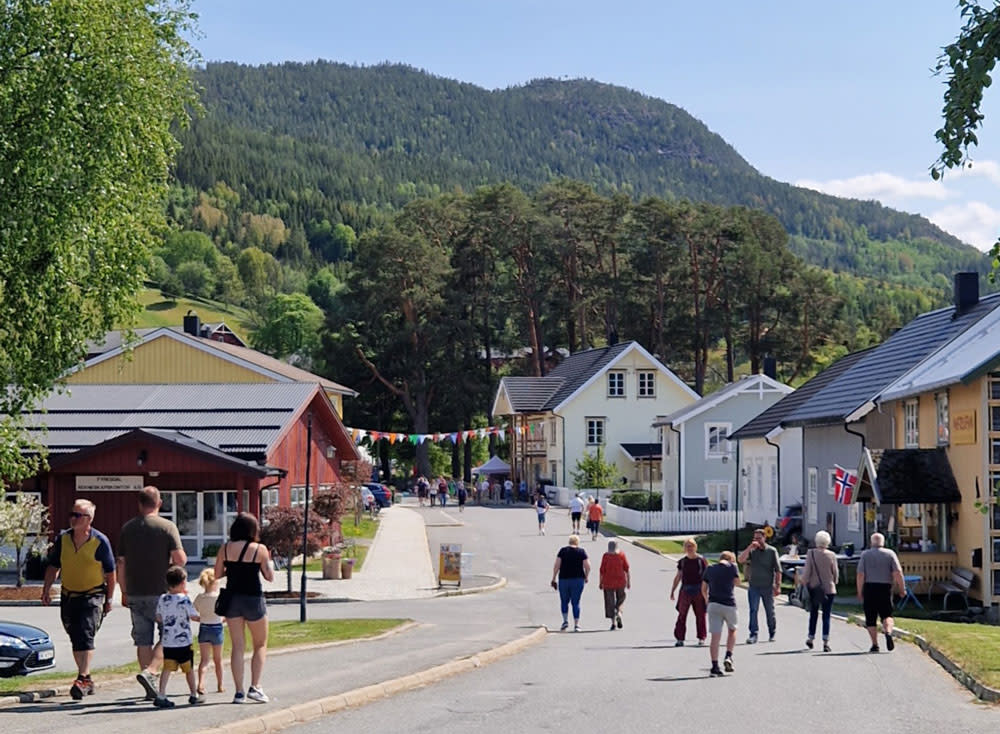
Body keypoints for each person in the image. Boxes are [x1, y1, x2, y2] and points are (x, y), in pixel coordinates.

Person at [41, 499, 116, 700]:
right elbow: (53, 566)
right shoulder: (63, 539)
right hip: (69, 595)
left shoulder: (100, 541)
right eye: (71, 514)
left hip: (93, 595)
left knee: (85, 633)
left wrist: (109, 599)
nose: (72, 519)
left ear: (89, 519)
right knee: (75, 635)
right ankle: (86, 679)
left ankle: (82, 677)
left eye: (77, 515)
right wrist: (46, 589)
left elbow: (110, 572)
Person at [118, 485, 186, 700]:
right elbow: (180, 559)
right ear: (159, 503)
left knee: (142, 639)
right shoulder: (166, 527)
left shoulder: (127, 528)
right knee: (168, 634)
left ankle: (150, 684)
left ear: (139, 504)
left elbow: (121, 562)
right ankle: (151, 672)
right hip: (161, 591)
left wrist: (123, 590)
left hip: (135, 590)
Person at [214, 512, 275, 703]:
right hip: (253, 599)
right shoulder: (260, 549)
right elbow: (269, 576)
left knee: (238, 646)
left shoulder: (225, 548)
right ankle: (255, 687)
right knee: (260, 644)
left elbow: (217, 574)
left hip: (232, 599)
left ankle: (239, 692)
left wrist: (232, 569)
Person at [153, 565, 202, 708]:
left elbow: (158, 617)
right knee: (188, 668)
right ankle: (193, 694)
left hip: (168, 641)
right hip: (183, 641)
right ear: (182, 583)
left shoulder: (163, 598)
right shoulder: (184, 600)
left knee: (167, 668)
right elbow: (193, 616)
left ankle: (161, 694)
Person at [856, 532, 905, 653]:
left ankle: (875, 644)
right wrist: (902, 588)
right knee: (887, 614)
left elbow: (860, 574)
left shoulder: (865, 555)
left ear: (871, 542)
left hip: (869, 588)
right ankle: (888, 632)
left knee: (870, 617)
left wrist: (859, 591)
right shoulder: (890, 554)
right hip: (885, 587)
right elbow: (897, 572)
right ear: (883, 542)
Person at [738, 527, 781, 643]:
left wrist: (778, 585)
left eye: (759, 538)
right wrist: (749, 548)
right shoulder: (752, 551)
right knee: (753, 610)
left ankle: (772, 632)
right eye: (755, 538)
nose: (756, 540)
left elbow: (778, 570)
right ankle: (753, 634)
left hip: (767, 586)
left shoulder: (772, 551)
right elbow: (741, 560)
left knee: (769, 611)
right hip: (754, 586)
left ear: (764, 538)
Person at [799, 530, 839, 652]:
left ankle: (811, 638)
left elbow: (807, 571)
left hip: (814, 588)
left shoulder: (811, 554)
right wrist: (834, 582)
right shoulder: (831, 555)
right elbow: (835, 572)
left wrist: (803, 582)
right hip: (829, 588)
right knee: (826, 615)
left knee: (814, 613)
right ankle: (826, 641)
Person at [702, 550, 739, 677]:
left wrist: (707, 600)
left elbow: (703, 588)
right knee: (732, 630)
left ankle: (714, 666)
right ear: (731, 560)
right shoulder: (733, 568)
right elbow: (737, 582)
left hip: (713, 604)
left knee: (715, 637)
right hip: (729, 603)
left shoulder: (710, 569)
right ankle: (728, 655)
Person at [670, 538, 708, 646]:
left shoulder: (701, 561)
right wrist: (673, 590)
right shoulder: (682, 562)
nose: (689, 548)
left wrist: (707, 593)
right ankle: (680, 638)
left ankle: (701, 637)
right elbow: (678, 576)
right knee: (682, 615)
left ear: (695, 547)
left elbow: (707, 577)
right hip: (685, 590)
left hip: (699, 590)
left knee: (701, 615)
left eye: (691, 546)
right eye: (687, 546)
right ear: (684, 548)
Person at [193, 568, 225, 695]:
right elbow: (225, 614)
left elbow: (193, 612)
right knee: (218, 660)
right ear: (215, 582)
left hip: (204, 627)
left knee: (204, 660)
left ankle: (200, 683)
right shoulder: (219, 598)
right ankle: (220, 684)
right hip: (217, 627)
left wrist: (200, 618)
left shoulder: (200, 598)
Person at [551, 535, 590, 632]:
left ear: (569, 542)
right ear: (577, 542)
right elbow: (588, 566)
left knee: (564, 601)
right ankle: (576, 625)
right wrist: (586, 576)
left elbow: (557, 565)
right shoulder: (581, 552)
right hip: (578, 579)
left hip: (564, 579)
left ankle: (565, 621)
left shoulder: (563, 551)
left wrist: (554, 578)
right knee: (576, 602)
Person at [599, 540, 630, 630]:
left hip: (608, 581)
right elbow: (627, 569)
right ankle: (619, 613)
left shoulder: (606, 556)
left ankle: (613, 623)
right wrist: (628, 581)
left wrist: (600, 582)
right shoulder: (621, 555)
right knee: (621, 599)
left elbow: (602, 571)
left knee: (610, 602)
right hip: (620, 581)